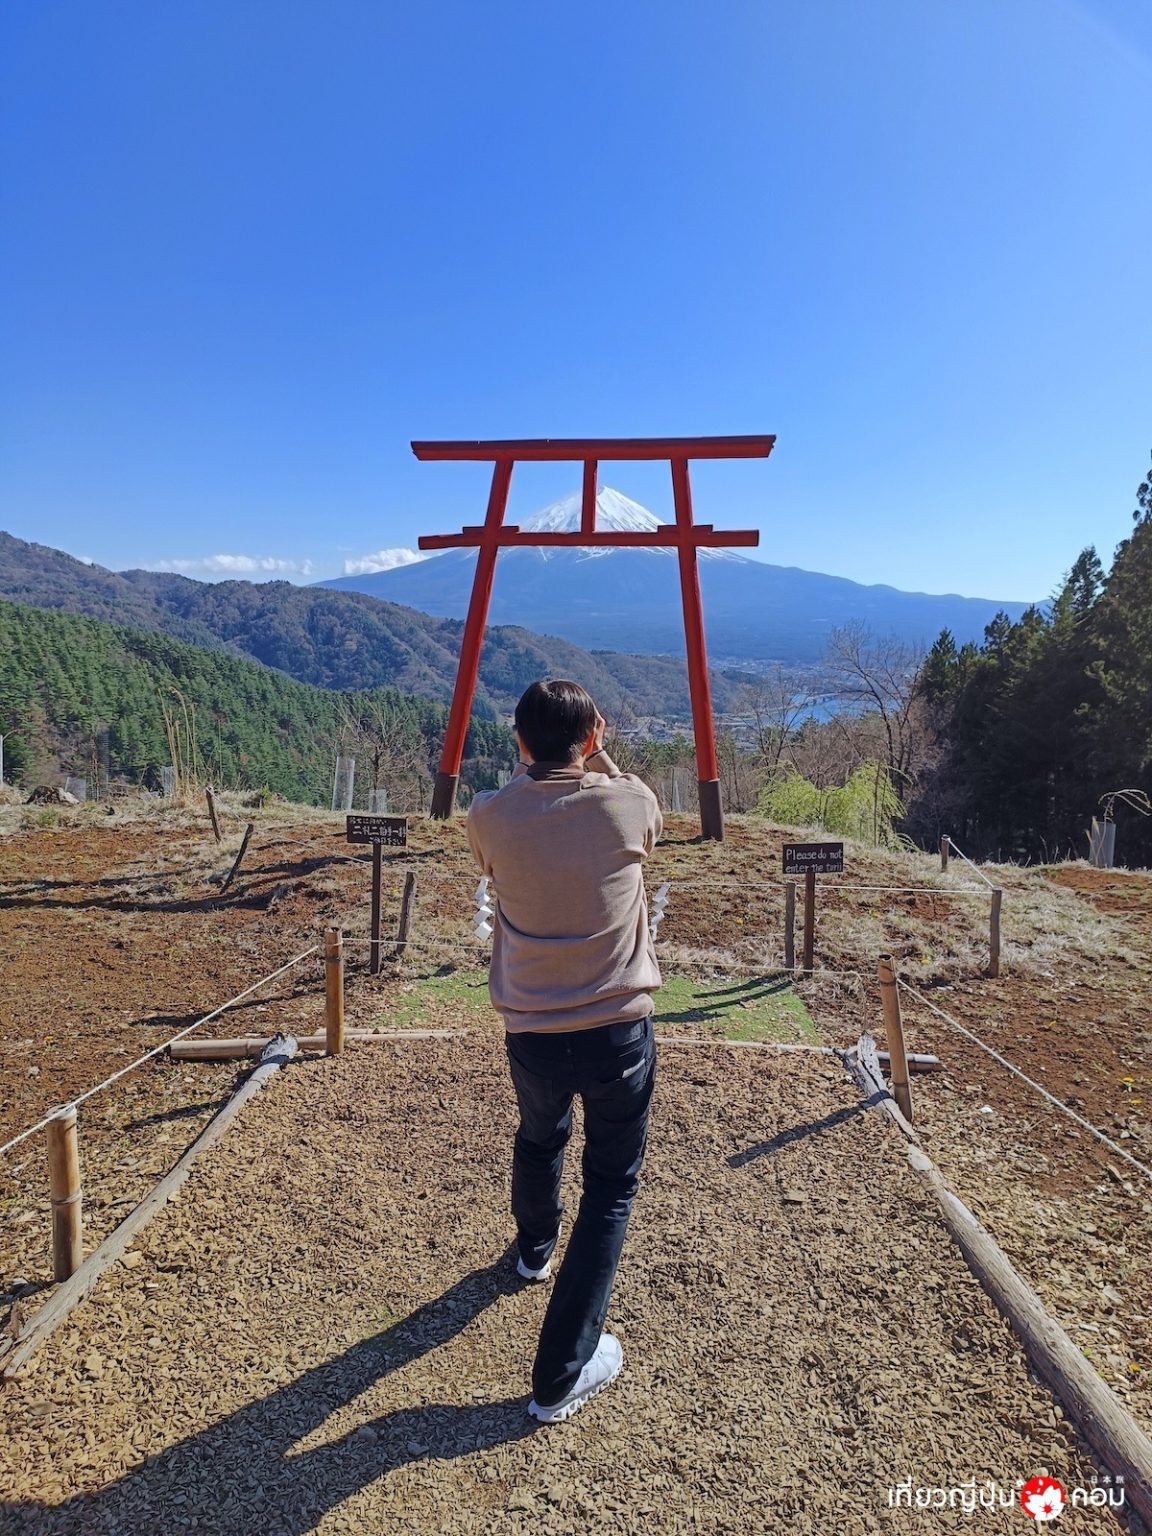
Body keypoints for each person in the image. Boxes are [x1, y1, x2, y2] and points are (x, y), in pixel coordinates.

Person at [467, 678, 663, 1423]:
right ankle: (561, 1372)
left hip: (533, 1030)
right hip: (617, 1030)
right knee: (610, 1187)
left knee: (539, 1134)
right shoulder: (628, 804)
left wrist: (545, 761)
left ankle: (533, 1250)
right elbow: (639, 812)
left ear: (519, 742)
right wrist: (598, 757)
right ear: (593, 737)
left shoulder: (490, 817)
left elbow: (503, 830)